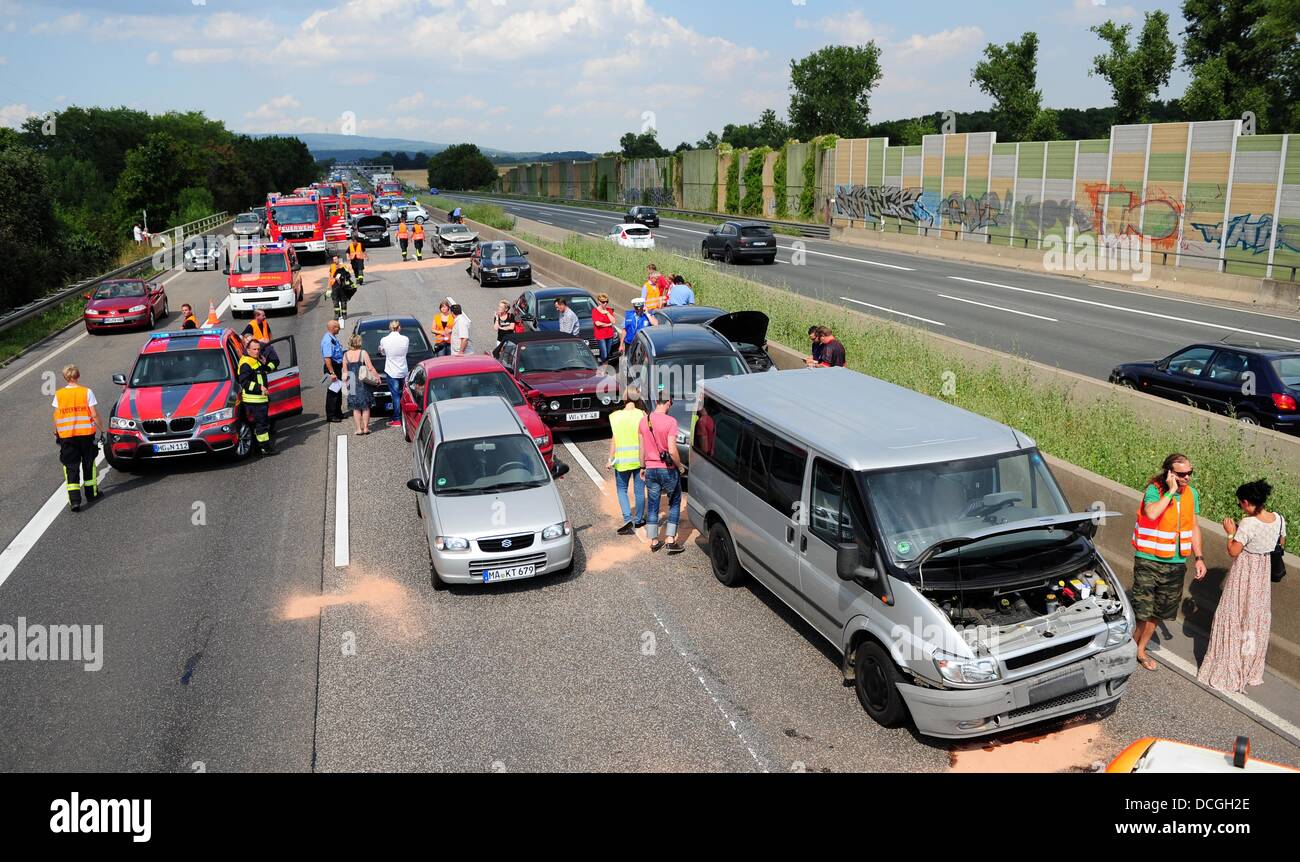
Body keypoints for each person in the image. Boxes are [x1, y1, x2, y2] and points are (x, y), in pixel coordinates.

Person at [1197, 480, 1283, 693]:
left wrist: (1230, 531)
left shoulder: (1247, 523)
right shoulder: (1279, 519)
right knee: (1253, 620)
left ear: (1246, 502)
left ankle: (1228, 665)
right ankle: (1249, 666)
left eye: (1240, 503)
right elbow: (1280, 544)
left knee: (1233, 616)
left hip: (1244, 575)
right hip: (1262, 578)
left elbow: (1234, 551)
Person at [1131, 453, 1206, 671]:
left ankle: (1139, 650)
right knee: (1142, 612)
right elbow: (1152, 514)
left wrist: (1199, 557)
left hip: (1176, 564)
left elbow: (1194, 526)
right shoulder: (1155, 490)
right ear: (1170, 473)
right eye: (1182, 474)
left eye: (1190, 473)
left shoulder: (1192, 495)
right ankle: (1130, 648)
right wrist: (1172, 491)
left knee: (1158, 612)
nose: (1187, 478)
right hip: (1149, 560)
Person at [639, 390, 686, 553]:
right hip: (668, 469)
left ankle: (653, 540)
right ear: (668, 402)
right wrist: (680, 466)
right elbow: (672, 450)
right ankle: (671, 539)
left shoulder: (644, 421)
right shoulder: (671, 422)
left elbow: (642, 448)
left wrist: (642, 467)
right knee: (674, 502)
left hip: (650, 469)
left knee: (652, 505)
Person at [52, 364, 102, 512]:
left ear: (65, 377)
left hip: (67, 436)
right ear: (78, 376)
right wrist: (102, 430)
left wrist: (56, 431)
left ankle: (75, 501)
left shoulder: (59, 394)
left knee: (71, 467)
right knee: (88, 463)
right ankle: (91, 494)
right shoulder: (86, 392)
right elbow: (93, 414)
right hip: (86, 434)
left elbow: (56, 415)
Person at [607, 385, 646, 535]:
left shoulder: (615, 416)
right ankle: (638, 520)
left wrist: (610, 459)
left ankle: (627, 518)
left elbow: (614, 440)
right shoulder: (642, 414)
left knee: (622, 490)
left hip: (622, 461)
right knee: (639, 492)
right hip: (639, 460)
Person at [237, 339, 278, 456]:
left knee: (261, 424)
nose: (257, 351)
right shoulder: (246, 363)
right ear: (248, 349)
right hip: (254, 400)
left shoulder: (255, 360)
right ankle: (265, 448)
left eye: (258, 349)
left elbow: (262, 371)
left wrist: (266, 364)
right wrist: (259, 387)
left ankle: (259, 447)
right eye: (254, 349)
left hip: (259, 399)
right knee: (262, 425)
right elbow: (244, 382)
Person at [342, 333, 380, 435]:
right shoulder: (363, 353)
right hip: (363, 383)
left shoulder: (345, 355)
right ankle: (366, 428)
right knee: (365, 407)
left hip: (352, 383)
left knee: (356, 407)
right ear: (359, 342)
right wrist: (377, 377)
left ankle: (358, 429)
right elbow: (370, 368)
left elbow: (345, 372)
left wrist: (345, 384)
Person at [378, 319, 409, 427]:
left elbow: (383, 353)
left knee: (395, 395)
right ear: (399, 327)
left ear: (390, 328)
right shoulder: (405, 339)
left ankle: (397, 418)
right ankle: (407, 416)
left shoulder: (384, 340)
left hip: (391, 370)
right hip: (403, 369)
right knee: (404, 394)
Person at [320, 319, 346, 423]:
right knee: (333, 393)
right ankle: (331, 415)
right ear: (333, 328)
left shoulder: (333, 338)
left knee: (338, 391)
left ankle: (338, 412)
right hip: (332, 368)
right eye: (338, 327)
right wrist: (332, 373)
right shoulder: (328, 341)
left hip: (337, 366)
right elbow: (327, 358)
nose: (339, 329)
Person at [591, 293, 618, 364]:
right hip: (600, 336)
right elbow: (597, 323)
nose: (605, 304)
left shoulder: (609, 310)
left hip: (609, 335)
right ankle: (601, 367)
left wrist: (607, 313)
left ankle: (604, 369)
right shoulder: (595, 311)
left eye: (607, 302)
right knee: (604, 354)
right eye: (603, 302)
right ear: (599, 302)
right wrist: (608, 324)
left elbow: (614, 321)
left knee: (607, 355)